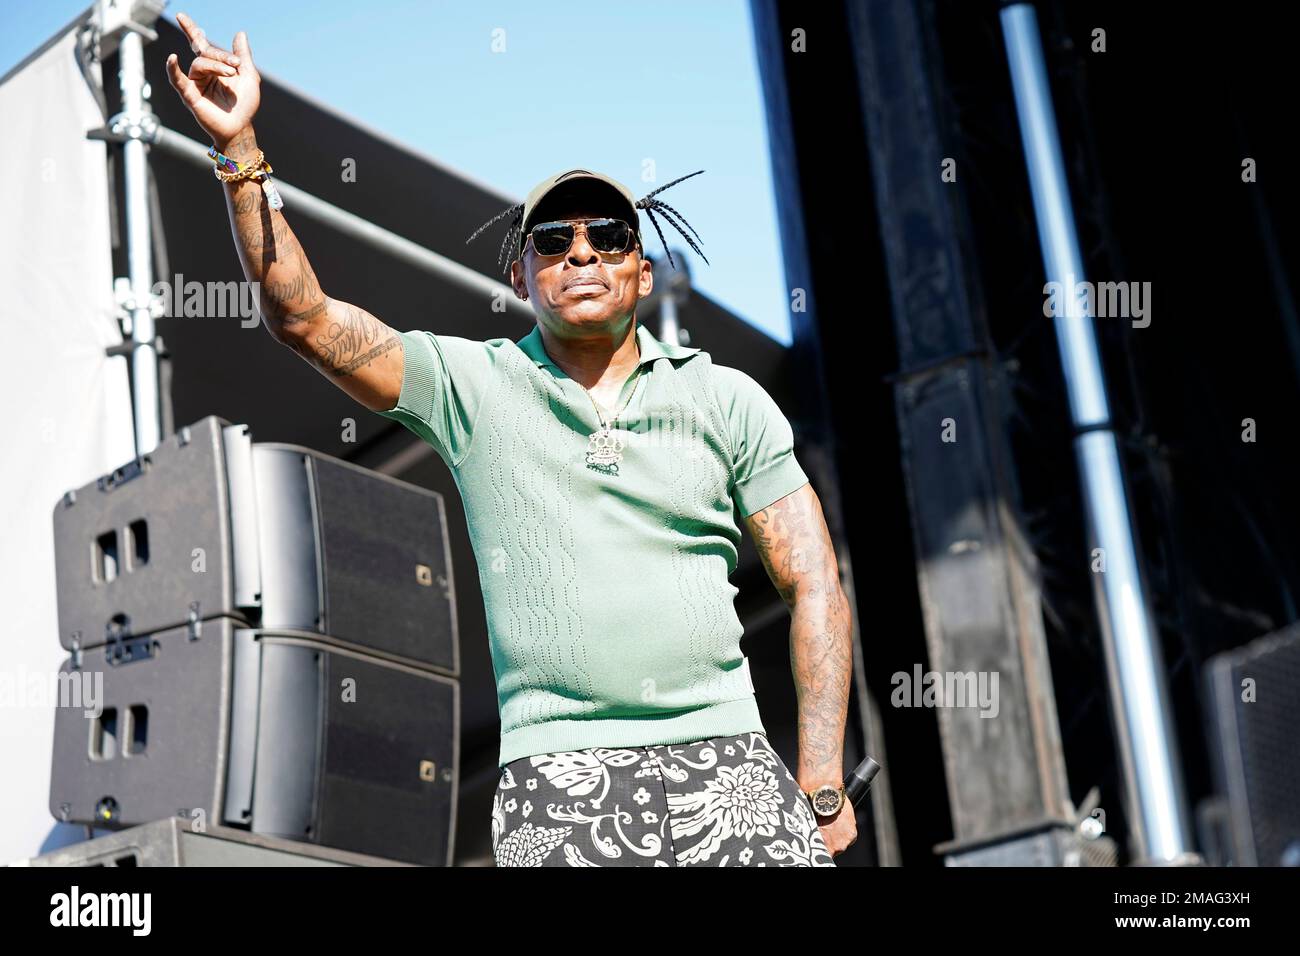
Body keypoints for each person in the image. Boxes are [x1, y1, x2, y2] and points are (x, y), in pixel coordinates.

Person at [165, 12, 856, 867]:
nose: (582, 255)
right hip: (558, 775)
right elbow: (303, 318)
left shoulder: (726, 399)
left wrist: (820, 780)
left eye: (609, 238)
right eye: (553, 242)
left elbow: (814, 583)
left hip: (729, 763)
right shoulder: (473, 386)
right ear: (519, 273)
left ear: (642, 270)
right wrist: (241, 156)